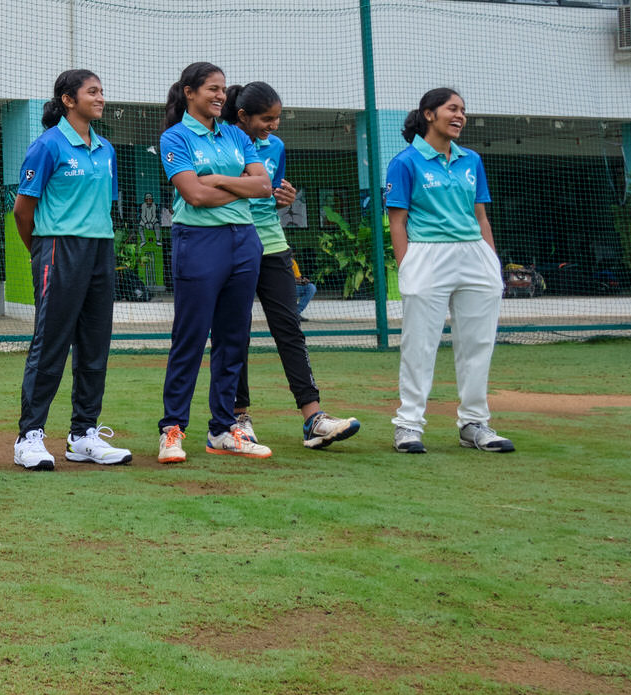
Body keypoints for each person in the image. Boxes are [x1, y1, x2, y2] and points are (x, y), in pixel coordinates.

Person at [221, 82, 360, 451]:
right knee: (236, 333)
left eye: (277, 118)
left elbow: (268, 198)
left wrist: (287, 200)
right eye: (267, 119)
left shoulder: (276, 148)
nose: (274, 126)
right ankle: (238, 416)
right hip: (231, 244)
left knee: (290, 330)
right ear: (242, 117)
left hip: (273, 246)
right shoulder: (221, 143)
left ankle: (313, 418)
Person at [10, 70, 132, 470]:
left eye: (101, 90)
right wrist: (42, 253)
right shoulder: (47, 146)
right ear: (68, 99)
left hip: (100, 248)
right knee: (51, 343)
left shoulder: (106, 149)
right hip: (58, 247)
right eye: (92, 91)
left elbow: (104, 206)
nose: (100, 97)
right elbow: (22, 212)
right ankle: (29, 436)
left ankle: (83, 435)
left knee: (95, 344)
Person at [156, 62, 272, 464]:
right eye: (212, 88)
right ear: (190, 92)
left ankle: (223, 429)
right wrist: (239, 186)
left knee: (233, 339)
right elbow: (194, 197)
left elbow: (264, 186)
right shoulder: (175, 136)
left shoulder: (238, 134)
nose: (221, 95)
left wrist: (217, 180)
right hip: (199, 241)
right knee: (189, 338)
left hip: (244, 242)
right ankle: (172, 429)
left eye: (223, 89)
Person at [387, 88, 513, 454]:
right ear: (429, 114)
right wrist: (407, 266)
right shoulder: (406, 161)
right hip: (427, 256)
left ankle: (474, 424)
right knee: (419, 346)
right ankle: (408, 426)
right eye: (452, 109)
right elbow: (398, 222)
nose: (460, 116)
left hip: (475, 256)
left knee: (478, 344)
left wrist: (491, 263)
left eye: (463, 111)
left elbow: (480, 216)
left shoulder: (471, 160)